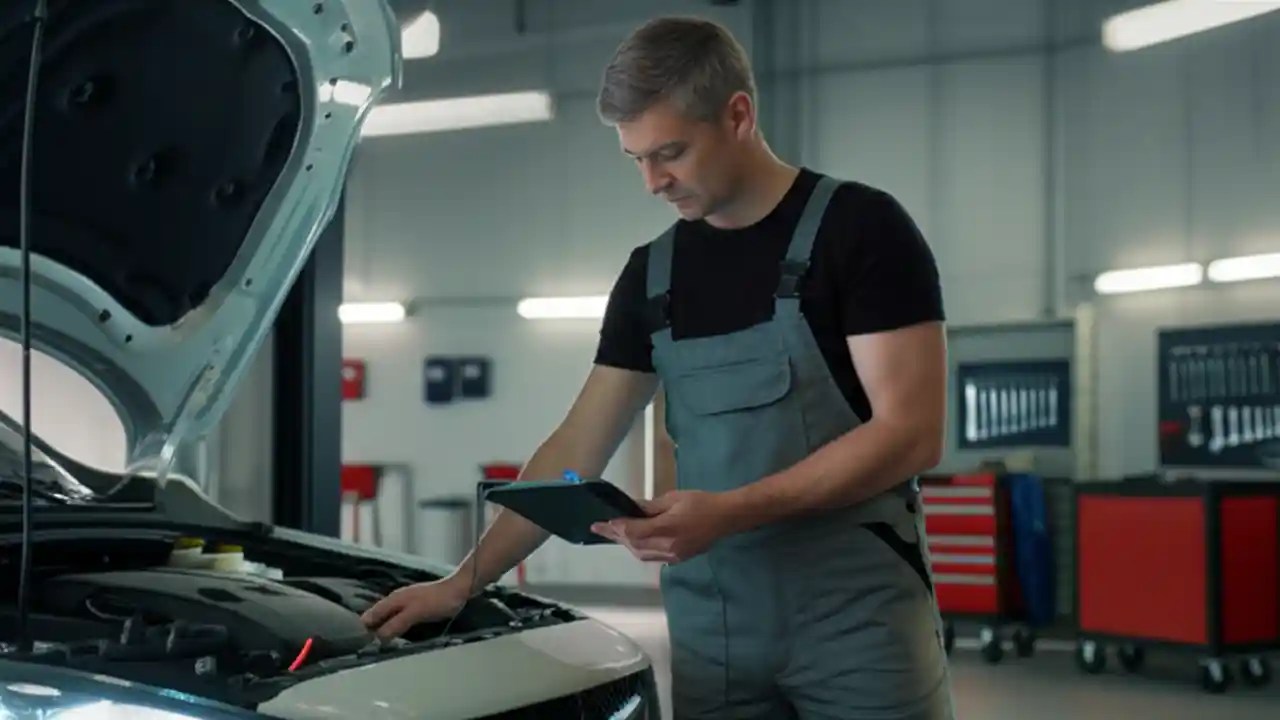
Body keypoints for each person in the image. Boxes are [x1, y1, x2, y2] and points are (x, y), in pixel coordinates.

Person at [362, 15, 954, 720]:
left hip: (858, 623)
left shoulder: (860, 231)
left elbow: (911, 434)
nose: (652, 182)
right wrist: (464, 581)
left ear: (738, 115)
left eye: (670, 152)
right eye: (635, 158)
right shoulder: (652, 278)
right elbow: (574, 447)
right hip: (716, 631)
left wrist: (731, 512)